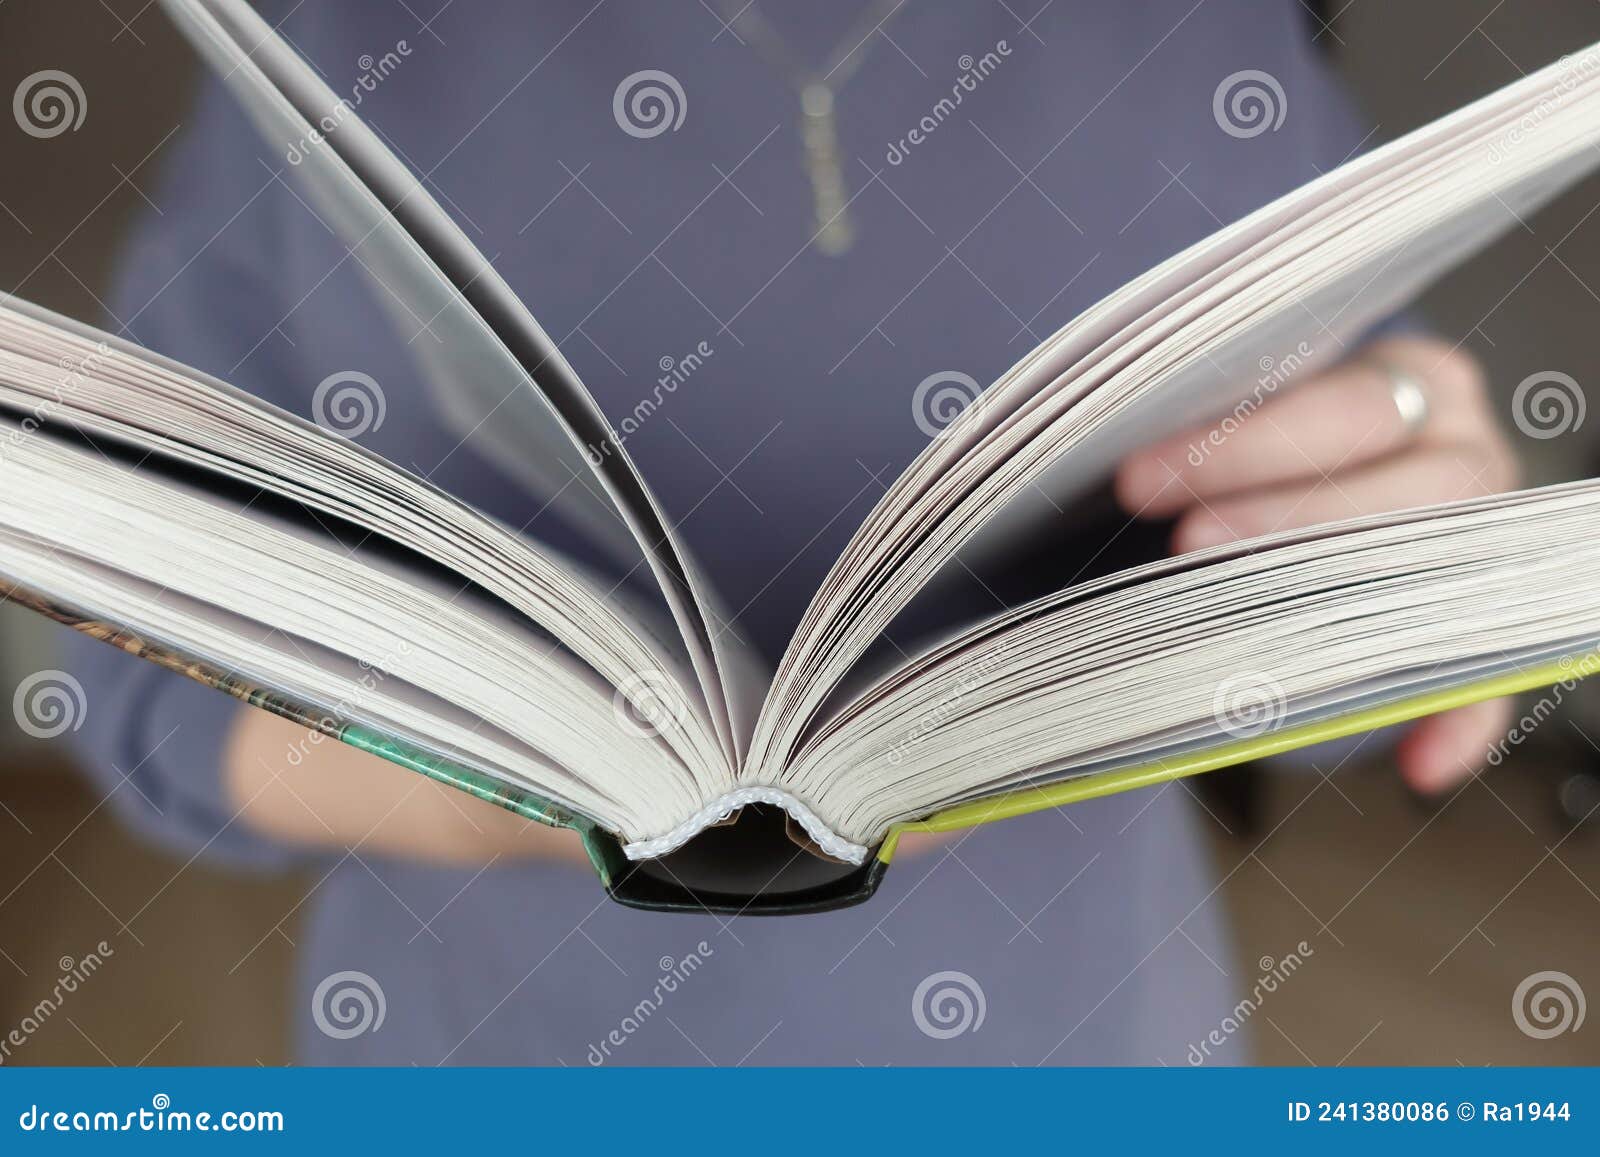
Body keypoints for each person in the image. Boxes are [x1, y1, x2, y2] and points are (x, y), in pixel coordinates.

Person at [69, 0, 1517, 1064]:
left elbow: (1350, 633)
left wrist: (1424, 561)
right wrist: (492, 789)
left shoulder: (1208, 37)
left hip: (1085, 1046)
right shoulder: (339, 36)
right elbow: (147, 688)